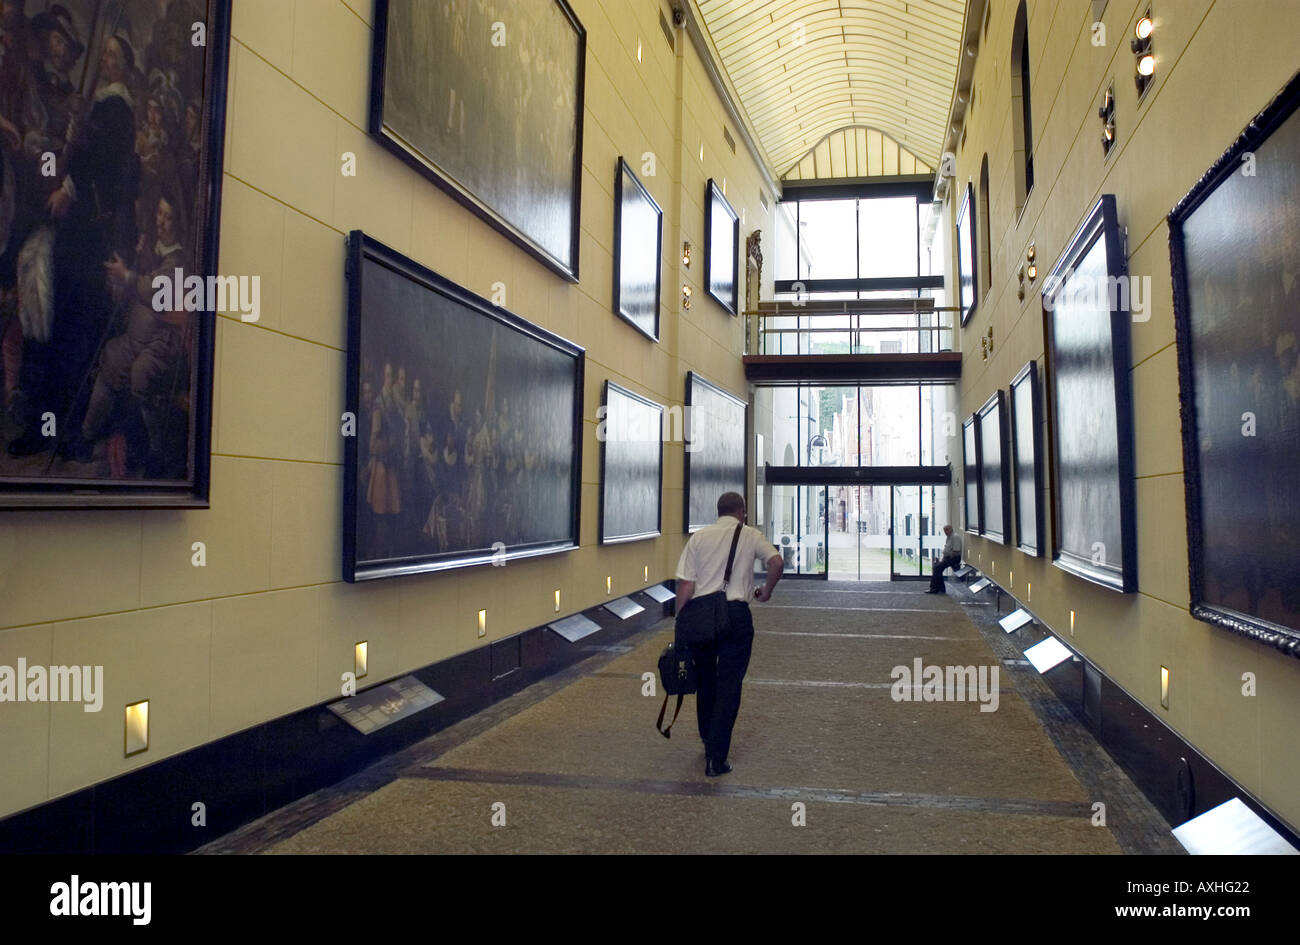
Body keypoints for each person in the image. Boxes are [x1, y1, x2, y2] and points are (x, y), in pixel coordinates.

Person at [675, 491, 783, 777]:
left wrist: (681, 622)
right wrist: (766, 591)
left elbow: (686, 584)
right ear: (742, 512)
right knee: (730, 685)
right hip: (735, 616)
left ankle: (707, 738)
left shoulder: (698, 538)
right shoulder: (749, 534)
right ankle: (716, 758)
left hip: (702, 616)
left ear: (718, 511)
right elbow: (776, 562)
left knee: (705, 679)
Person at [928, 525, 962, 593]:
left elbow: (956, 551)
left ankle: (934, 588)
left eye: (947, 530)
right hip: (948, 557)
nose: (945, 532)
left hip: (953, 558)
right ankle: (941, 588)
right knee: (937, 568)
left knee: (937, 568)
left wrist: (947, 558)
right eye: (944, 531)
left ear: (951, 529)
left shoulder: (955, 537)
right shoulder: (948, 537)